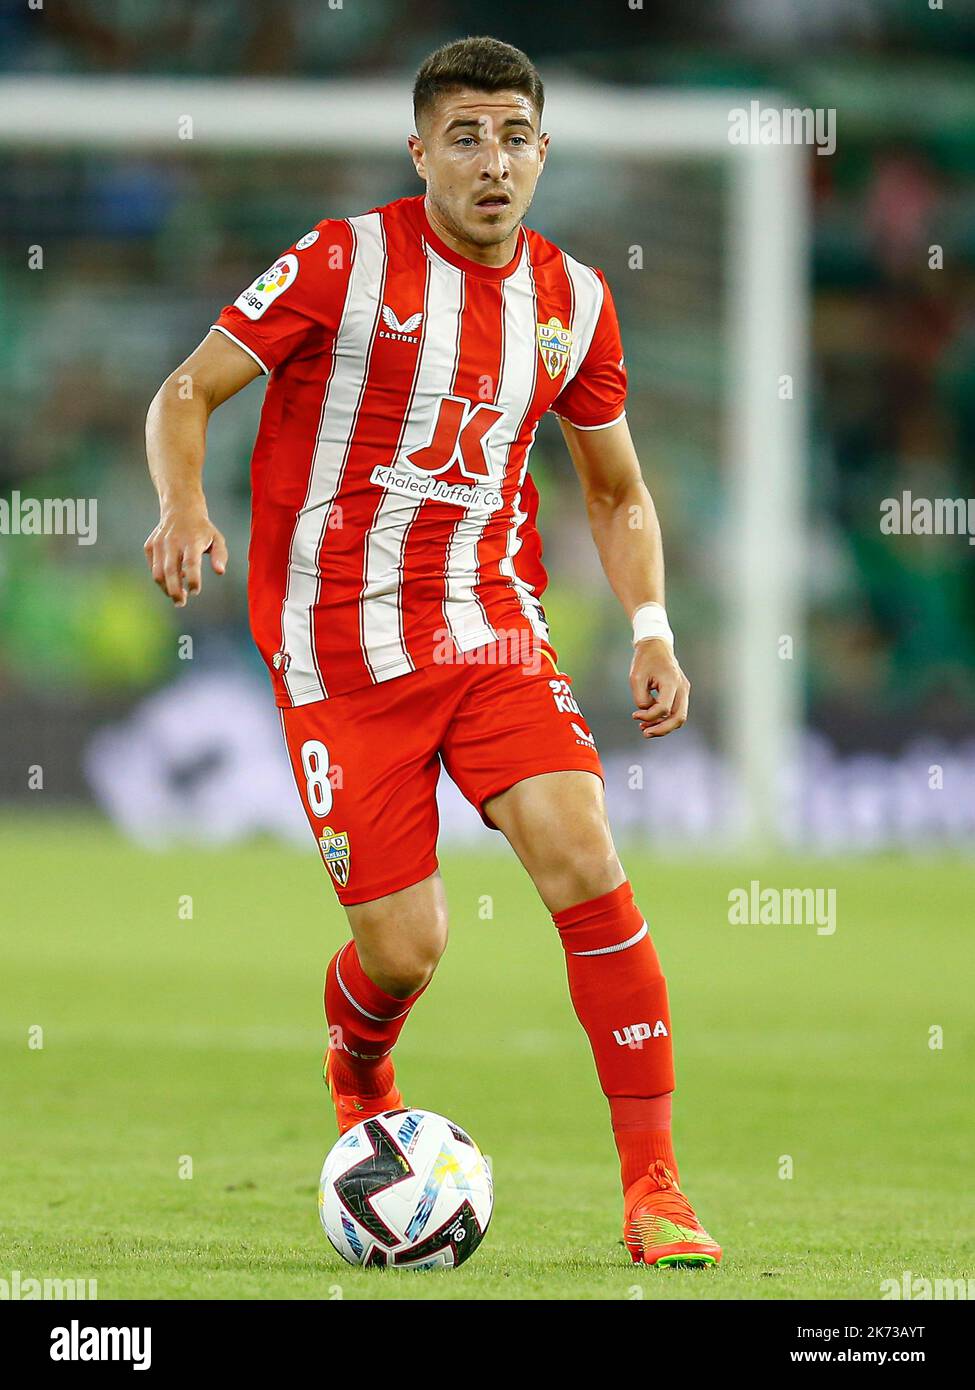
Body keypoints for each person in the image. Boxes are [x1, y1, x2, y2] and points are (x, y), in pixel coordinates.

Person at [144, 35, 721, 1268]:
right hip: (337, 651)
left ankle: (657, 1190)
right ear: (420, 153)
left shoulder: (573, 301)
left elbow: (616, 493)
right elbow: (186, 392)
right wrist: (186, 505)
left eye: (514, 136)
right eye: (465, 136)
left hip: (490, 626)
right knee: (406, 948)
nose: (493, 162)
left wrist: (653, 626)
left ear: (544, 152)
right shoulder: (342, 261)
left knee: (581, 851)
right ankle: (360, 1064)